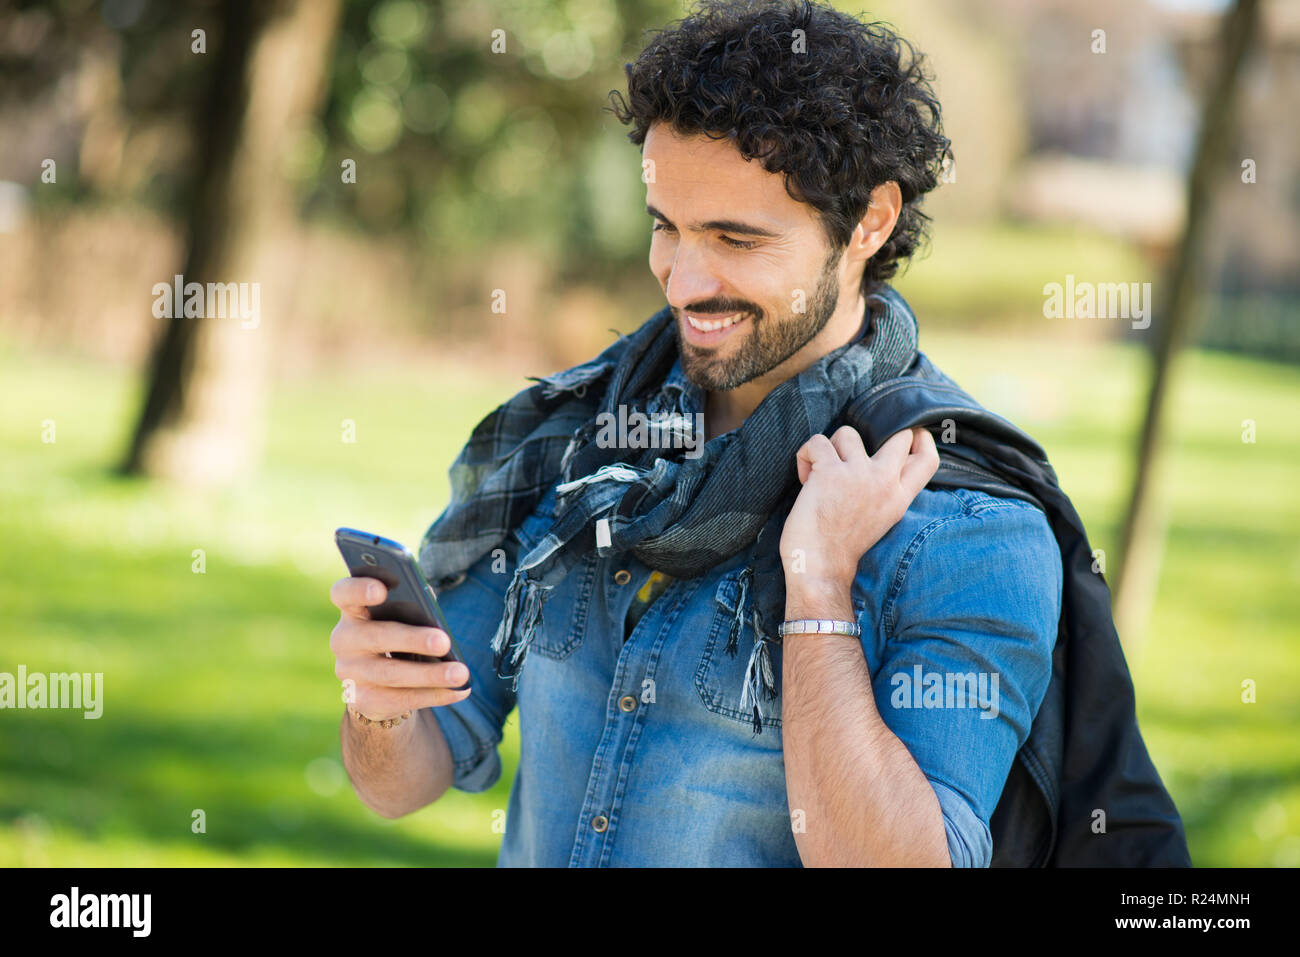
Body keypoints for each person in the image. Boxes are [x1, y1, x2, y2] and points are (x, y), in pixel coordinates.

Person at [329, 0, 1064, 867]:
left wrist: (820, 583)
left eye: (735, 239)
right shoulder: (576, 446)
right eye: (666, 227)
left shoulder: (969, 528)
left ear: (868, 221)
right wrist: (378, 702)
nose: (682, 281)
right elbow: (405, 775)